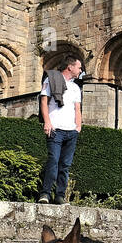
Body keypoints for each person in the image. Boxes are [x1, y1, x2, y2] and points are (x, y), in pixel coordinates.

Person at [37, 55, 82, 204]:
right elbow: (44, 102)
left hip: (71, 131)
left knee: (65, 165)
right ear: (70, 67)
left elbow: (77, 108)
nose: (80, 70)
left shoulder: (76, 87)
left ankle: (60, 196)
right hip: (55, 129)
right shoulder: (51, 80)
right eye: (79, 67)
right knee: (53, 161)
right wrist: (47, 122)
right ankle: (45, 194)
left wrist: (78, 127)